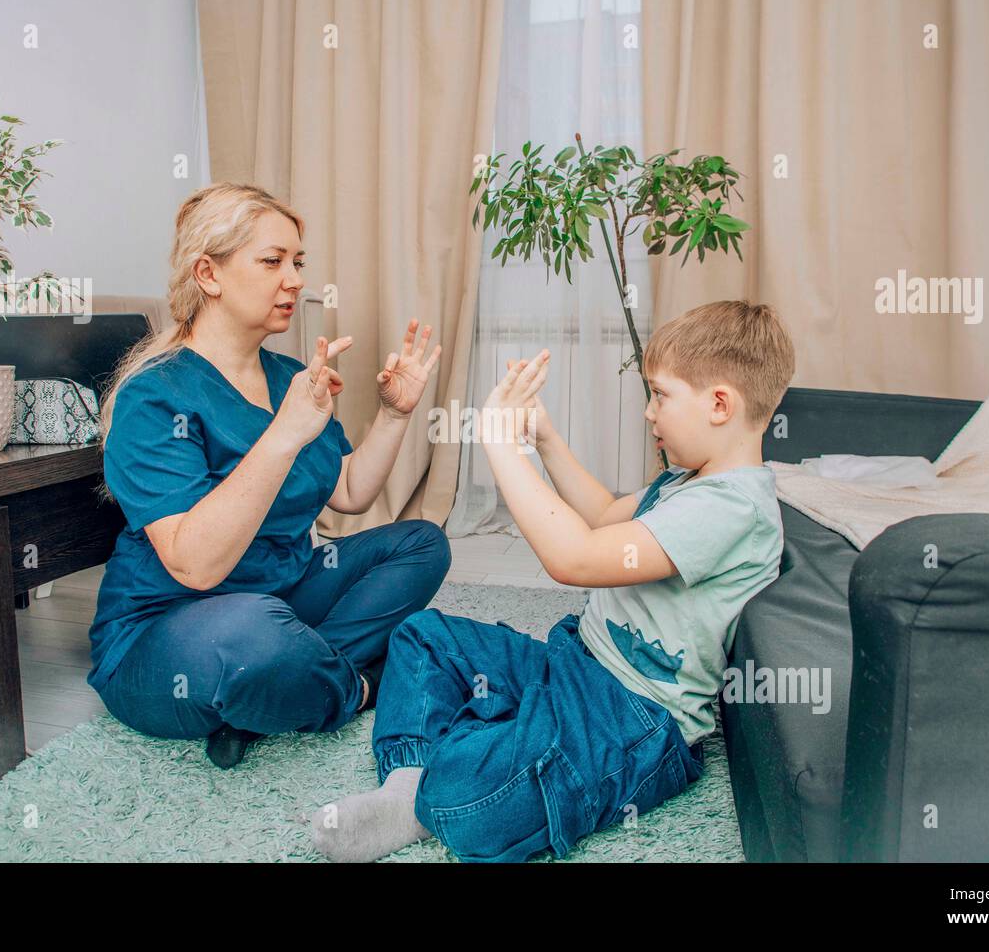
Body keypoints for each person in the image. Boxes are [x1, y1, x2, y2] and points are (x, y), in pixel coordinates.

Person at [311, 301, 795, 861]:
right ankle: (406, 792)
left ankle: (445, 776)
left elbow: (578, 557)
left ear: (719, 405)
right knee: (422, 636)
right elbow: (603, 515)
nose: (648, 412)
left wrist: (499, 445)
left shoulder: (732, 509)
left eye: (660, 394)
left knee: (467, 798)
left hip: (634, 715)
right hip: (577, 660)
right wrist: (543, 439)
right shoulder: (688, 480)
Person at [87, 182, 450, 769]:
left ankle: (277, 690)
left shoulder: (289, 375)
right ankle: (358, 689)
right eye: (273, 261)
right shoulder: (153, 396)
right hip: (169, 627)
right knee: (253, 634)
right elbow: (195, 564)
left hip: (283, 592)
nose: (296, 279)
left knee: (421, 543)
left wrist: (394, 413)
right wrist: (282, 434)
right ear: (209, 274)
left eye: (298, 262)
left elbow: (352, 491)